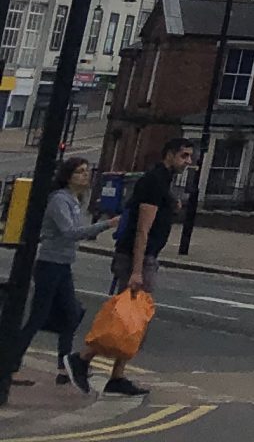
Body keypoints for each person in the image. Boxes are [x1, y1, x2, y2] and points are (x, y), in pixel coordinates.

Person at [98, 138, 192, 398]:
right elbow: (142, 230)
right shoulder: (153, 181)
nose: (188, 162)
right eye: (184, 156)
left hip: (143, 257)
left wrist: (172, 203)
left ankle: (115, 375)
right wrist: (138, 269)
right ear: (170, 155)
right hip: (137, 257)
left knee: (131, 319)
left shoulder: (162, 182)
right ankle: (84, 359)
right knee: (129, 318)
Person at [18, 157, 111, 392]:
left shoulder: (74, 200)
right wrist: (106, 225)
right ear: (68, 176)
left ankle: (64, 366)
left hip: (62, 265)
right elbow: (69, 232)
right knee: (38, 317)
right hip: (49, 264)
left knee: (71, 313)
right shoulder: (59, 200)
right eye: (80, 172)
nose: (85, 175)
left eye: (86, 171)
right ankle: (11, 361)